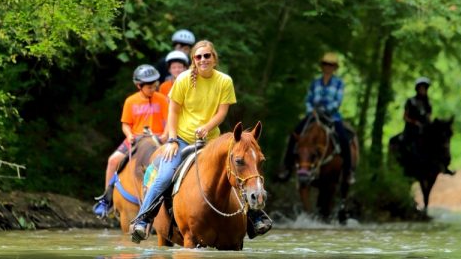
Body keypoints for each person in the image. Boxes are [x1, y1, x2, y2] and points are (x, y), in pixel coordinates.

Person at [129, 40, 272, 242]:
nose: (203, 60)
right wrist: (171, 140)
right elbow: (173, 111)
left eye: (207, 56)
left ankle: (255, 215)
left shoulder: (224, 81)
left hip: (212, 141)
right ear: (193, 60)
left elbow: (222, 112)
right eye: (199, 56)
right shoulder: (183, 80)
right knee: (164, 175)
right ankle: (142, 220)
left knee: (235, 171)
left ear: (214, 59)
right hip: (182, 139)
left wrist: (207, 127)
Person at [92, 65, 169, 218]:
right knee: (113, 160)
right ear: (139, 85)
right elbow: (125, 124)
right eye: (149, 86)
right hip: (136, 138)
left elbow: (169, 121)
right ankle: (107, 199)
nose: (153, 88)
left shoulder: (162, 99)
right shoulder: (130, 101)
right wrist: (129, 135)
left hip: (157, 139)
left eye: (155, 85)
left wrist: (166, 135)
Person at [277, 51, 354, 183]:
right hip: (312, 115)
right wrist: (310, 110)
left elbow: (338, 101)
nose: (328, 67)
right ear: (322, 66)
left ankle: (348, 172)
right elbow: (308, 99)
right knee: (294, 135)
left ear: (335, 68)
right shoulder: (315, 82)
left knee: (344, 139)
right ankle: (287, 168)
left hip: (331, 116)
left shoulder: (339, 83)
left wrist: (326, 110)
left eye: (331, 65)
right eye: (325, 64)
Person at [401, 76, 432, 157]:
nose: (423, 90)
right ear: (417, 89)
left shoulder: (428, 102)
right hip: (411, 130)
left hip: (424, 129)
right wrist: (414, 122)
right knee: (406, 144)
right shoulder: (410, 101)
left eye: (424, 88)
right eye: (421, 88)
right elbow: (405, 117)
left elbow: (429, 117)